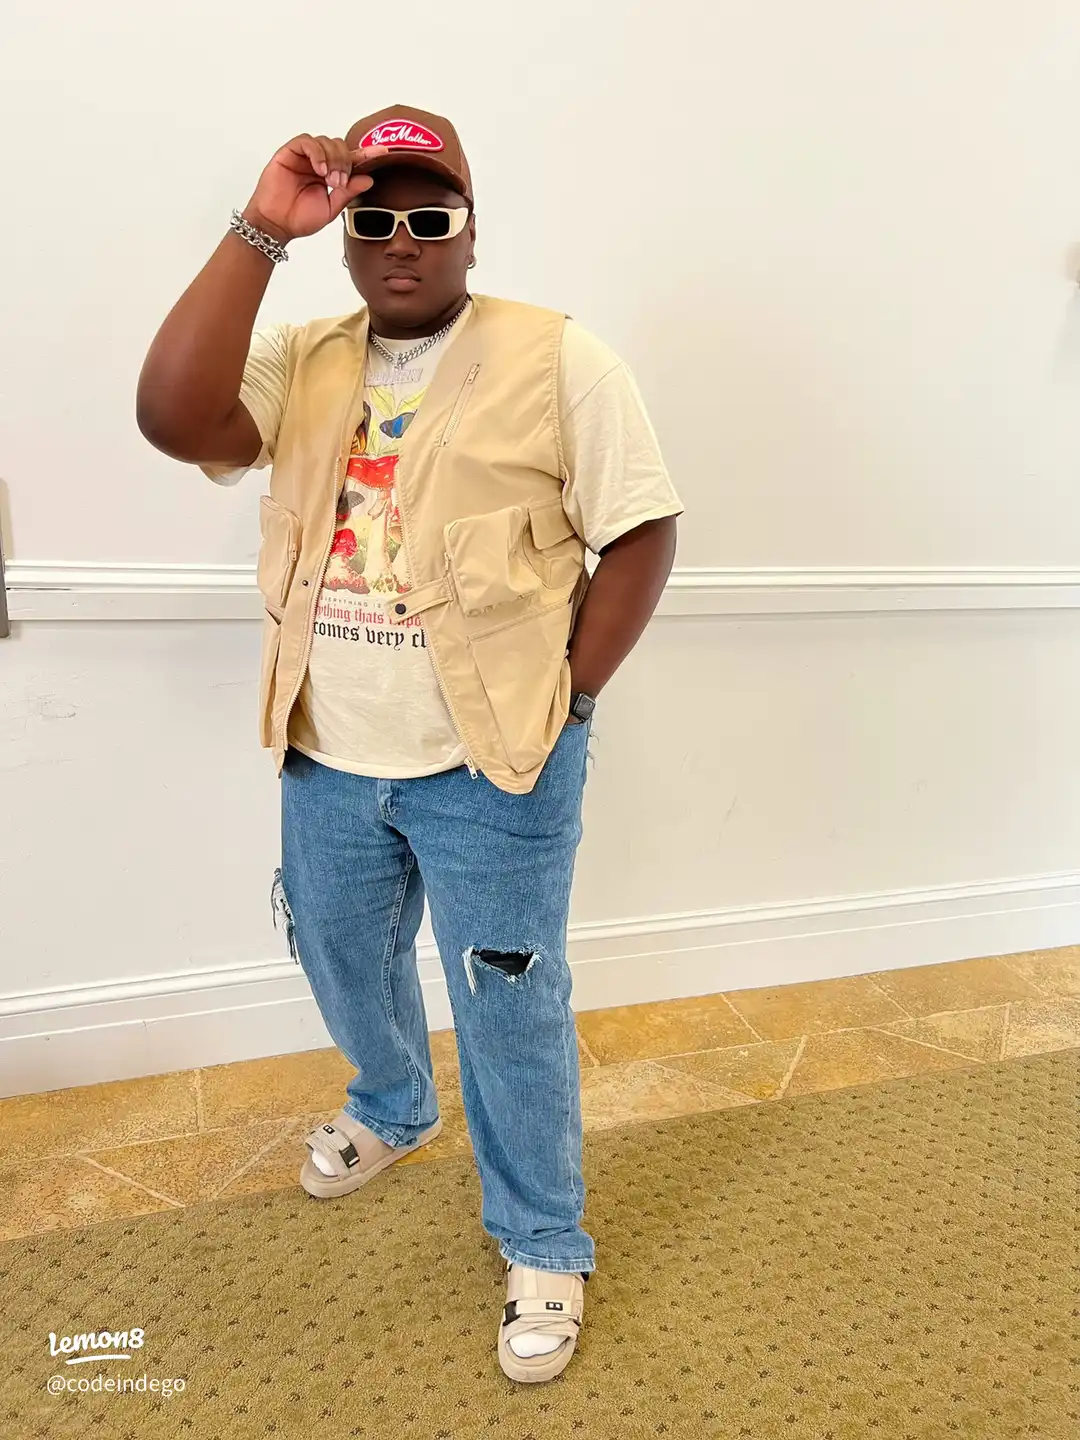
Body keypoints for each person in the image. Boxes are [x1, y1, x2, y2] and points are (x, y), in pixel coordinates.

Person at [136, 104, 683, 1384]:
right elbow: (174, 417)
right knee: (338, 952)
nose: (400, 240)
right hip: (327, 748)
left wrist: (572, 700)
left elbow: (642, 531)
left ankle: (543, 1238)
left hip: (496, 762)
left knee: (508, 1000)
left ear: (471, 231)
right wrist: (259, 229)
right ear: (345, 235)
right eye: (374, 217)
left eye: (428, 216)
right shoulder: (304, 357)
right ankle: (394, 1106)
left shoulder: (559, 358)